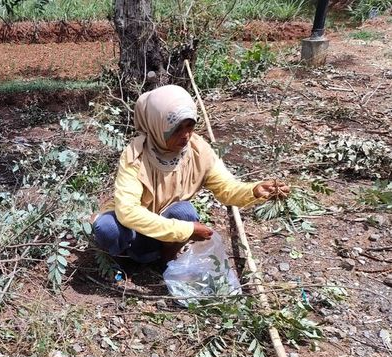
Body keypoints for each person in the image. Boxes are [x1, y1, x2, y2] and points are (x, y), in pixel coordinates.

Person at [93, 85, 289, 264]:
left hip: (166, 228)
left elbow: (226, 188)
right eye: (177, 129)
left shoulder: (198, 150)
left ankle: (165, 258)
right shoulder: (135, 155)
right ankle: (123, 260)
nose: (185, 135)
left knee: (185, 212)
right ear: (157, 126)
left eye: (190, 126)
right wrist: (187, 230)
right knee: (107, 227)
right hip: (134, 231)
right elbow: (128, 212)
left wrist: (254, 190)